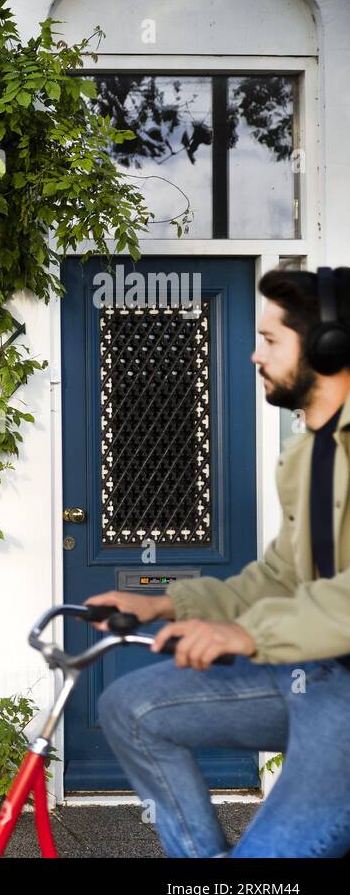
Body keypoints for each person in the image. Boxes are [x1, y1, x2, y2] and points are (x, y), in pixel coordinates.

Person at [85, 265, 350, 858]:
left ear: (330, 346)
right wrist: (162, 601)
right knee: (130, 706)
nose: (255, 356)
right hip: (307, 669)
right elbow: (278, 577)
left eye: (272, 341)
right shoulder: (306, 453)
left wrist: (243, 633)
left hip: (341, 694)